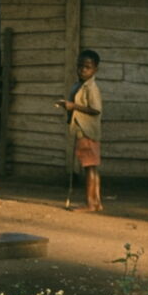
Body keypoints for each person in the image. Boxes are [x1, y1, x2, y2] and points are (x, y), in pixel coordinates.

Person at [57, 50, 103, 212]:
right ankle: (96, 202)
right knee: (92, 167)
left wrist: (73, 106)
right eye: (80, 66)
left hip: (87, 131)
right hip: (84, 130)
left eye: (87, 67)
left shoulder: (91, 88)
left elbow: (96, 109)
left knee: (89, 166)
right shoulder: (80, 86)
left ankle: (90, 203)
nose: (83, 70)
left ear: (95, 69)